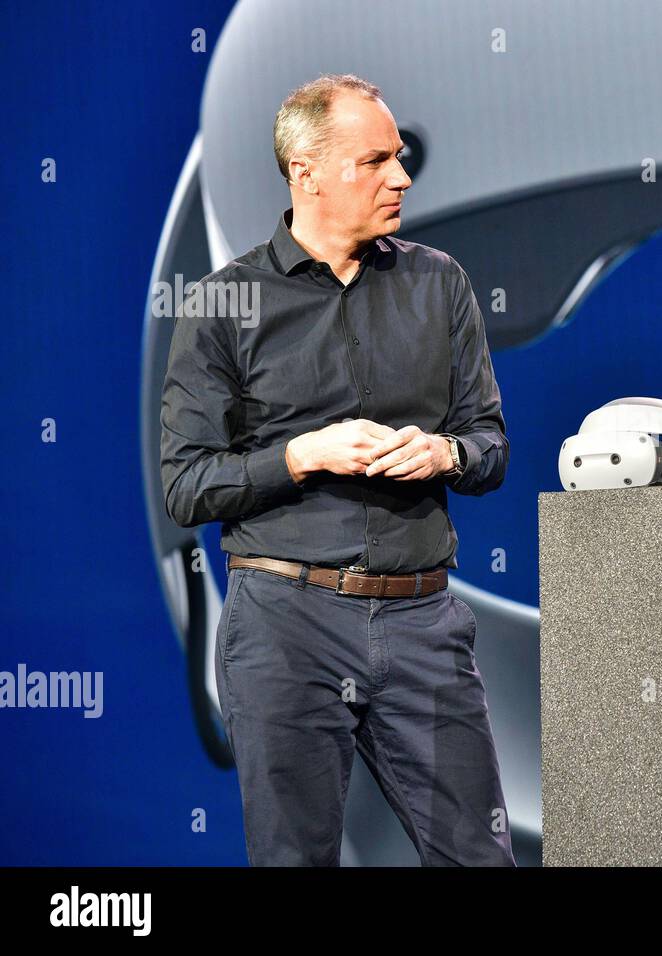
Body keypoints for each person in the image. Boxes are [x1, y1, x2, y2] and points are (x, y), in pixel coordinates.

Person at [160, 73, 515, 866]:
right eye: (376, 161)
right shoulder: (225, 305)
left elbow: (489, 443)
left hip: (422, 622)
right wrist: (300, 455)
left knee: (479, 857)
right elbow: (186, 486)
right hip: (287, 623)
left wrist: (446, 452)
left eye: (400, 158)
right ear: (306, 172)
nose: (401, 177)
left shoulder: (439, 283)